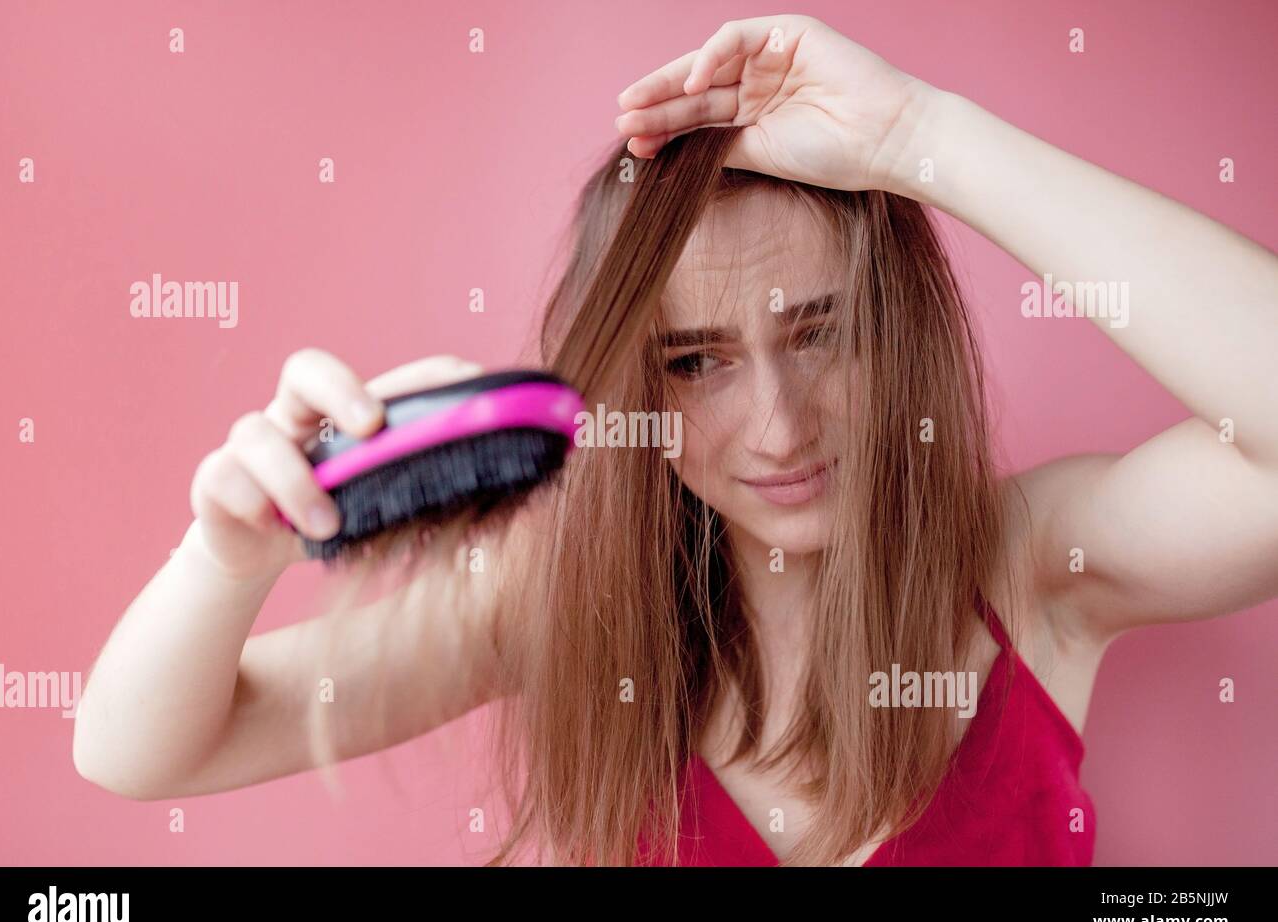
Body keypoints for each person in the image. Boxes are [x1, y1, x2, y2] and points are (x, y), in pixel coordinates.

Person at [73, 14, 1278, 867]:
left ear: (895, 331)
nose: (778, 424)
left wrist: (920, 137)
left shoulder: (1033, 566)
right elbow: (139, 751)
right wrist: (229, 554)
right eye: (694, 362)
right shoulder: (563, 603)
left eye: (821, 333)